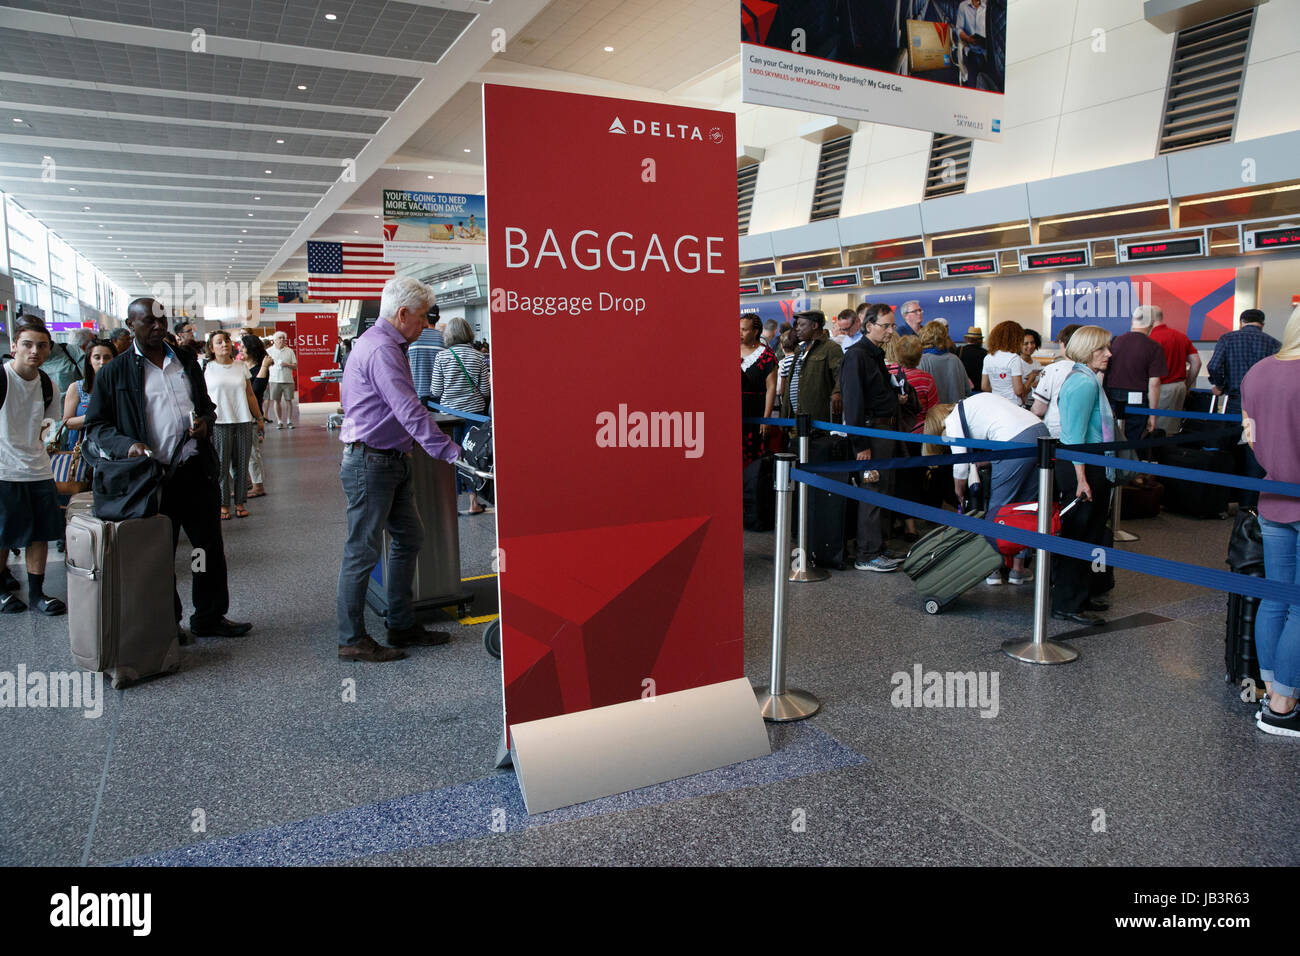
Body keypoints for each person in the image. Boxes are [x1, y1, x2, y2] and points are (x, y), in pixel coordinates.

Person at [84, 298, 251, 640]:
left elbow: (205, 406)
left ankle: (208, 615)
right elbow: (97, 426)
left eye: (162, 320)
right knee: (160, 554)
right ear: (131, 325)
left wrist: (205, 421)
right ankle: (167, 621)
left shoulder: (186, 361)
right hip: (151, 477)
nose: (158, 327)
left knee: (205, 548)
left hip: (193, 469)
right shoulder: (115, 372)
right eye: (149, 322)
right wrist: (128, 445)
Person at [337, 277, 463, 663]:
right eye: (423, 318)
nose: (426, 326)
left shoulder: (389, 345)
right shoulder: (381, 350)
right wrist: (451, 453)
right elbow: (408, 409)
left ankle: (401, 623)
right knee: (361, 552)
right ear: (402, 313)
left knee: (409, 537)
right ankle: (351, 639)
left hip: (389, 460)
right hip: (371, 463)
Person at [1241, 306, 1300, 736]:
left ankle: (1268, 692)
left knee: (1276, 597)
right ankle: (1283, 706)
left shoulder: (1259, 372)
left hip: (1272, 497)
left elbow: (1253, 436)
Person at [927, 392, 1049, 584]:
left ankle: (993, 569)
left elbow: (960, 465)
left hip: (1014, 443)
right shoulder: (975, 402)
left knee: (998, 509)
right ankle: (1018, 569)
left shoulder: (952, 421)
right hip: (1040, 432)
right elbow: (1003, 426)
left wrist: (958, 490)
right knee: (1025, 507)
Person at [0, 316, 68, 615]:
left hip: (38, 469)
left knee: (40, 535)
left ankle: (38, 593)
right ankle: (2, 591)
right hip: (4, 471)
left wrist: (38, 447)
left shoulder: (47, 384)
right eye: (27, 344)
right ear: (14, 346)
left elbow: (47, 428)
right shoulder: (3, 378)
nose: (34, 351)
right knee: (4, 535)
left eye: (41, 346)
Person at [1052, 325, 1117, 626]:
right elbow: (1074, 436)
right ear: (1086, 350)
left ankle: (1080, 595)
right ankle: (1068, 603)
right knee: (1079, 535)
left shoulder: (1086, 379)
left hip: (1086, 465)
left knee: (1089, 533)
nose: (1108, 354)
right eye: (1101, 349)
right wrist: (1082, 479)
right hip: (1084, 467)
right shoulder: (1084, 383)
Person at [841, 305, 903, 572]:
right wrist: (861, 444)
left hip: (884, 432)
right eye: (885, 326)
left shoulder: (874, 355)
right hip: (871, 434)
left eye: (892, 326)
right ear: (869, 326)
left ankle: (877, 545)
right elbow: (853, 403)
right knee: (873, 492)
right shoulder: (856, 356)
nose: (891, 331)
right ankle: (867, 553)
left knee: (883, 491)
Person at [430, 316, 491, 515]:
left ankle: (452, 504)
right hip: (475, 415)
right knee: (472, 457)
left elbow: (436, 390)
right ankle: (473, 502)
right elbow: (485, 391)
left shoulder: (442, 357)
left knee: (451, 457)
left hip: (449, 416)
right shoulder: (478, 357)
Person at [204, 331, 265, 520]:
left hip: (243, 421)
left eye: (227, 341)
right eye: (219, 342)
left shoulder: (240, 367)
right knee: (221, 467)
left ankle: (240, 502)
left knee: (241, 465)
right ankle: (223, 504)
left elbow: (249, 395)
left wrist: (259, 417)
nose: (224, 344)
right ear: (212, 348)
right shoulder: (207, 368)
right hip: (220, 422)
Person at [1103, 307, 1166, 443]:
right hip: (1138, 399)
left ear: (1133, 321)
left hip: (1112, 396)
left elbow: (1104, 372)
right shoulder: (1154, 347)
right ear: (1151, 324)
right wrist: (1153, 415)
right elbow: (1154, 383)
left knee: (1112, 438)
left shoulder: (1115, 341)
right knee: (1132, 440)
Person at [779, 311, 843, 429]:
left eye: (801, 325)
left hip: (818, 422)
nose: (797, 329)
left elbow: (841, 374)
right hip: (795, 419)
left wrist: (837, 392)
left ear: (814, 326)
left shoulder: (831, 348)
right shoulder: (799, 349)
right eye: (796, 325)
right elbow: (790, 381)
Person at [1146, 305, 1201, 435]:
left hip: (1160, 389)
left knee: (1156, 430)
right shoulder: (1180, 336)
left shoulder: (1150, 339)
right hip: (1179, 387)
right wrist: (1187, 385)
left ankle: (1156, 455)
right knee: (1173, 429)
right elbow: (1197, 362)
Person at [61, 338, 116, 452]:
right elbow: (67, 422)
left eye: (107, 357)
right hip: (81, 451)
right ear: (89, 360)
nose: (102, 362)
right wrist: (93, 417)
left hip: (114, 449)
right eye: (97, 357)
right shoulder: (77, 388)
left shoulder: (122, 387)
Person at [1031, 324, 1081, 439]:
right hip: (1081, 430)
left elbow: (1038, 410)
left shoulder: (1053, 369)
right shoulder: (1091, 370)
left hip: (1056, 429)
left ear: (1063, 343)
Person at [740, 313, 777, 468]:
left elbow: (771, 388)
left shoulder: (767, 355)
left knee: (753, 457)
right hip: (731, 412)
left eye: (744, 330)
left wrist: (765, 418)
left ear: (755, 332)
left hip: (755, 410)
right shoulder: (726, 350)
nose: (739, 333)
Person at [240, 334, 271, 498]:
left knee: (252, 452)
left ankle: (258, 485)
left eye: (244, 347)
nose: (240, 350)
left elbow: (256, 389)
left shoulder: (260, 368)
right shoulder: (240, 367)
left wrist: (264, 366)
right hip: (238, 414)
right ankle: (247, 483)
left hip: (252, 414)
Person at [918, 320, 971, 404]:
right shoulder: (955, 360)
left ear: (924, 336)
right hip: (954, 413)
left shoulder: (921, 361)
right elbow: (967, 390)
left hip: (933, 414)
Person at [981, 320, 1030, 405]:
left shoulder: (988, 357)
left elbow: (984, 386)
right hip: (1013, 404)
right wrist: (1030, 381)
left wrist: (998, 393)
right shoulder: (1014, 358)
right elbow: (1018, 390)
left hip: (995, 403)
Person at [407, 304, 444, 402]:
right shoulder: (444, 338)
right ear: (438, 318)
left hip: (416, 392)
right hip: (438, 395)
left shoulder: (412, 337)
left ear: (424, 316)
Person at [266, 330, 298, 429]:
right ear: (274, 340)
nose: (282, 340)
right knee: (276, 401)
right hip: (274, 380)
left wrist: (286, 364)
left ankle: (289, 420)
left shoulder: (290, 351)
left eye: (283, 338)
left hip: (288, 379)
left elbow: (295, 366)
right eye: (279, 338)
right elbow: (265, 366)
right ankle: (279, 421)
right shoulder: (269, 351)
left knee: (289, 400)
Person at [957, 0, 988, 89]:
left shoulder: (988, 6)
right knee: (973, 86)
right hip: (971, 50)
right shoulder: (963, 6)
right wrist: (968, 39)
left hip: (987, 52)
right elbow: (959, 29)